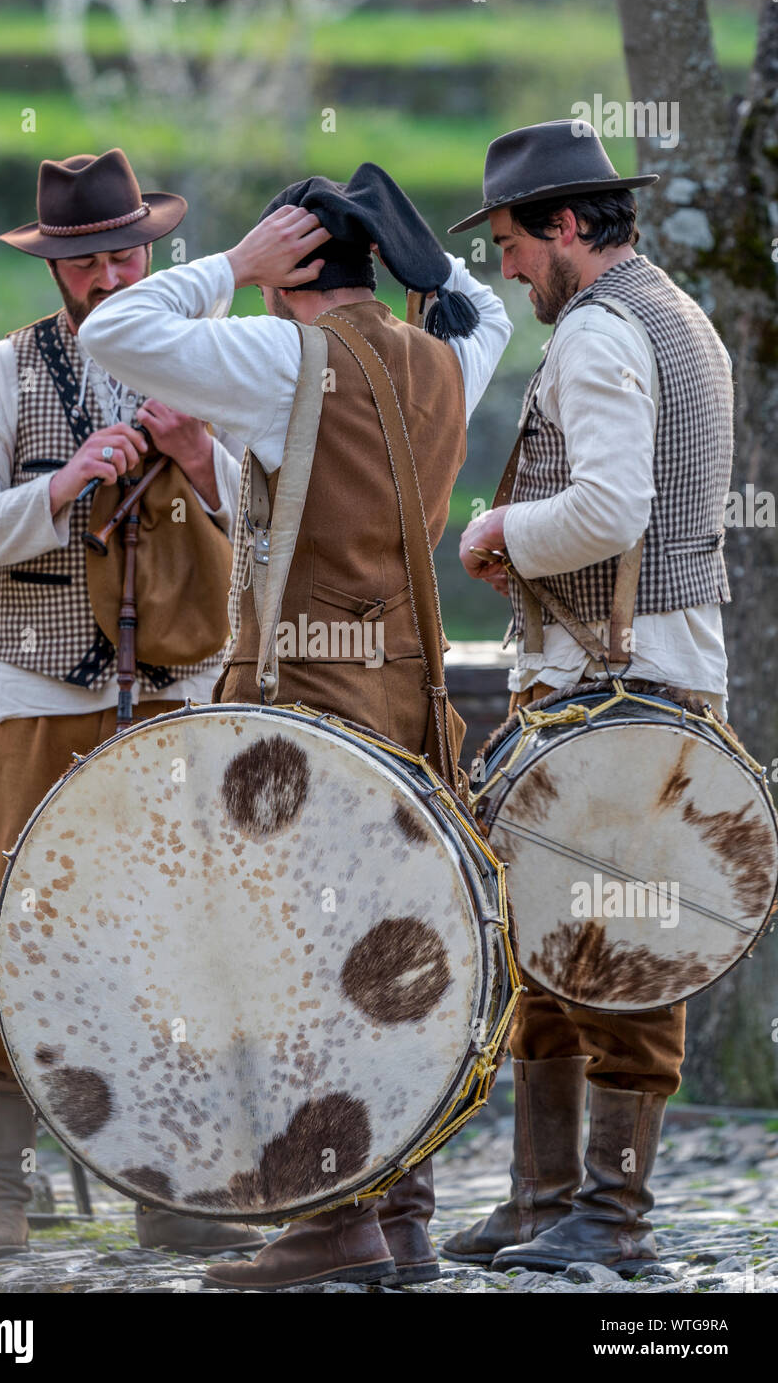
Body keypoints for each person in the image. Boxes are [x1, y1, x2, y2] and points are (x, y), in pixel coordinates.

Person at [79, 161, 513, 1289]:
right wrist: (413, 249)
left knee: (300, 971)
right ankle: (401, 1216)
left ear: (290, 275)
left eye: (275, 267)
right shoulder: (446, 360)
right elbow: (490, 308)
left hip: (310, 712)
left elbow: (112, 333)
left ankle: (329, 1223)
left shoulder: (284, 357)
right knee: (393, 968)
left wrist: (229, 266)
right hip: (410, 708)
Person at [0, 148, 265, 1261]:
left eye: (124, 253)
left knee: (178, 948)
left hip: (179, 707)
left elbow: (279, 537)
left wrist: (201, 459)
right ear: (54, 266)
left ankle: (170, 1185)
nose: (109, 276)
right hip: (33, 701)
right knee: (12, 940)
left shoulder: (217, 372)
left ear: (153, 251)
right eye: (85, 260)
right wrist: (58, 488)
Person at [444, 120, 733, 1274]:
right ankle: (543, 1200)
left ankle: (606, 1220)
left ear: (565, 228)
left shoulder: (602, 332)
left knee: (626, 955)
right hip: (624, 687)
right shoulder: (668, 312)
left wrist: (495, 529)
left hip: (620, 691)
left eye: (512, 242)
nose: (507, 267)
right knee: (557, 945)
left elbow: (609, 512)